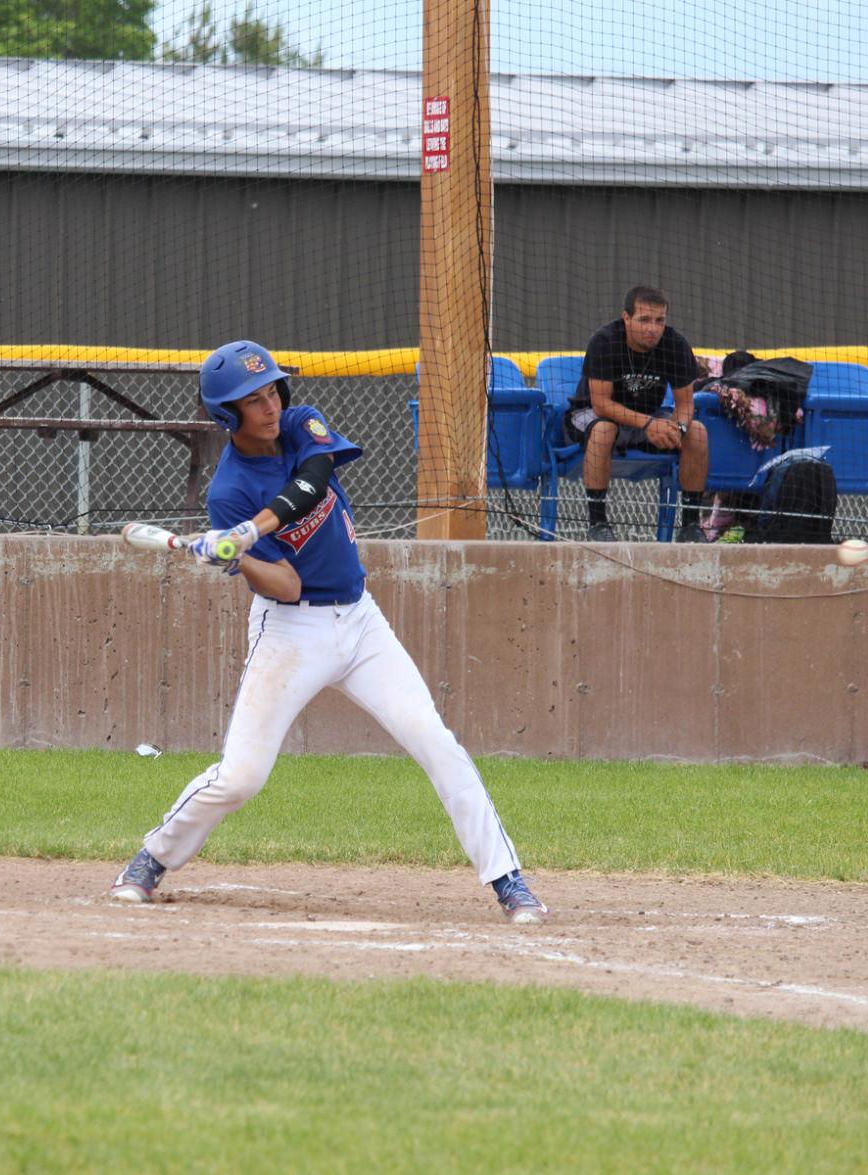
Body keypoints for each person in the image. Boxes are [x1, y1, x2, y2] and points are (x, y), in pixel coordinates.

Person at [107, 340, 547, 924]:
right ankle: (152, 857)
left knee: (436, 742)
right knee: (242, 778)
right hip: (292, 631)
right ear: (225, 415)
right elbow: (283, 585)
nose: (268, 406)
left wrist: (246, 533)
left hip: (362, 621)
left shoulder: (300, 424)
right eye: (251, 400)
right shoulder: (228, 491)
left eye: (270, 391)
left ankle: (508, 881)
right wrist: (236, 560)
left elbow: (314, 480)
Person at [565, 285, 709, 542]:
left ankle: (690, 526)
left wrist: (679, 429)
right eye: (644, 320)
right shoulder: (605, 341)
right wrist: (650, 424)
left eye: (659, 320)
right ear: (626, 318)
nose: (652, 328)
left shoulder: (675, 345)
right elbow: (601, 405)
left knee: (697, 432)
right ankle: (597, 524)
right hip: (591, 413)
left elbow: (685, 405)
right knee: (603, 429)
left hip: (648, 416)